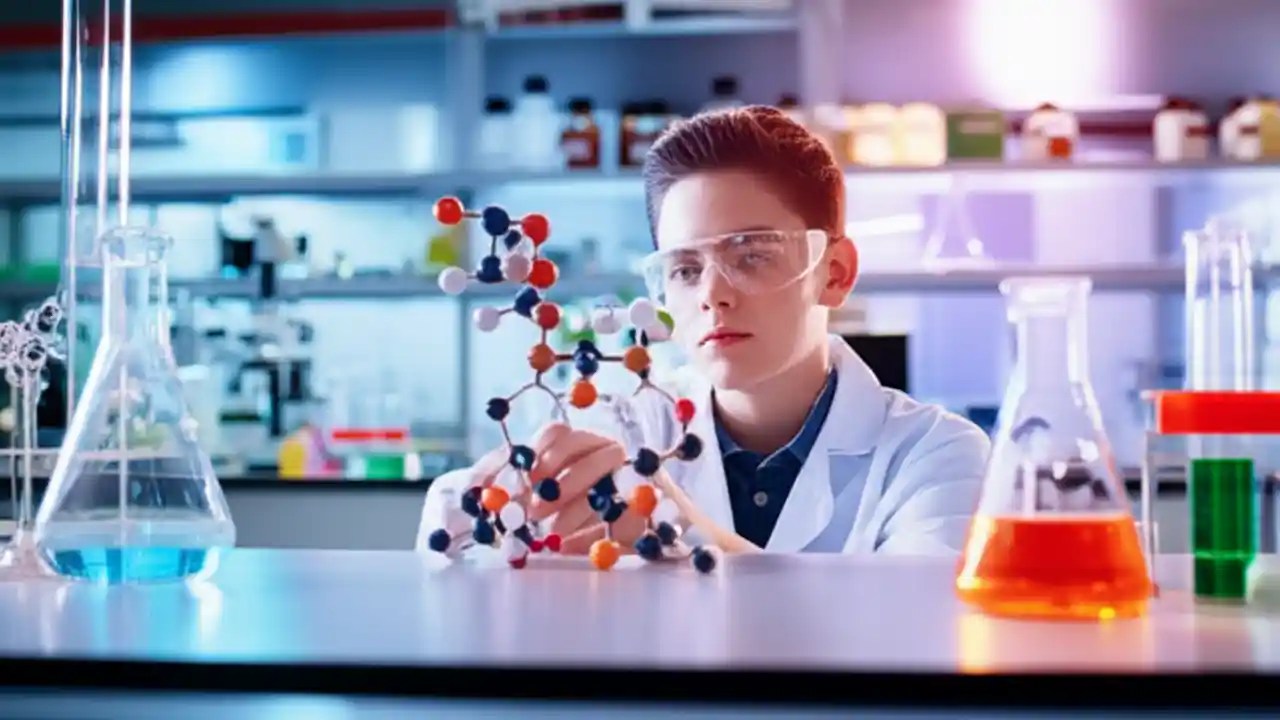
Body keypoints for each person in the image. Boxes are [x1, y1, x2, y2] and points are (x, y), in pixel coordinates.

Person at [417, 105, 990, 557]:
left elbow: (914, 629)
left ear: (834, 274)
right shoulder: (624, 427)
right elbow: (449, 531)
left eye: (752, 255)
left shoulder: (933, 455)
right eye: (686, 269)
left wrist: (677, 533)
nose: (712, 294)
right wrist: (497, 508)